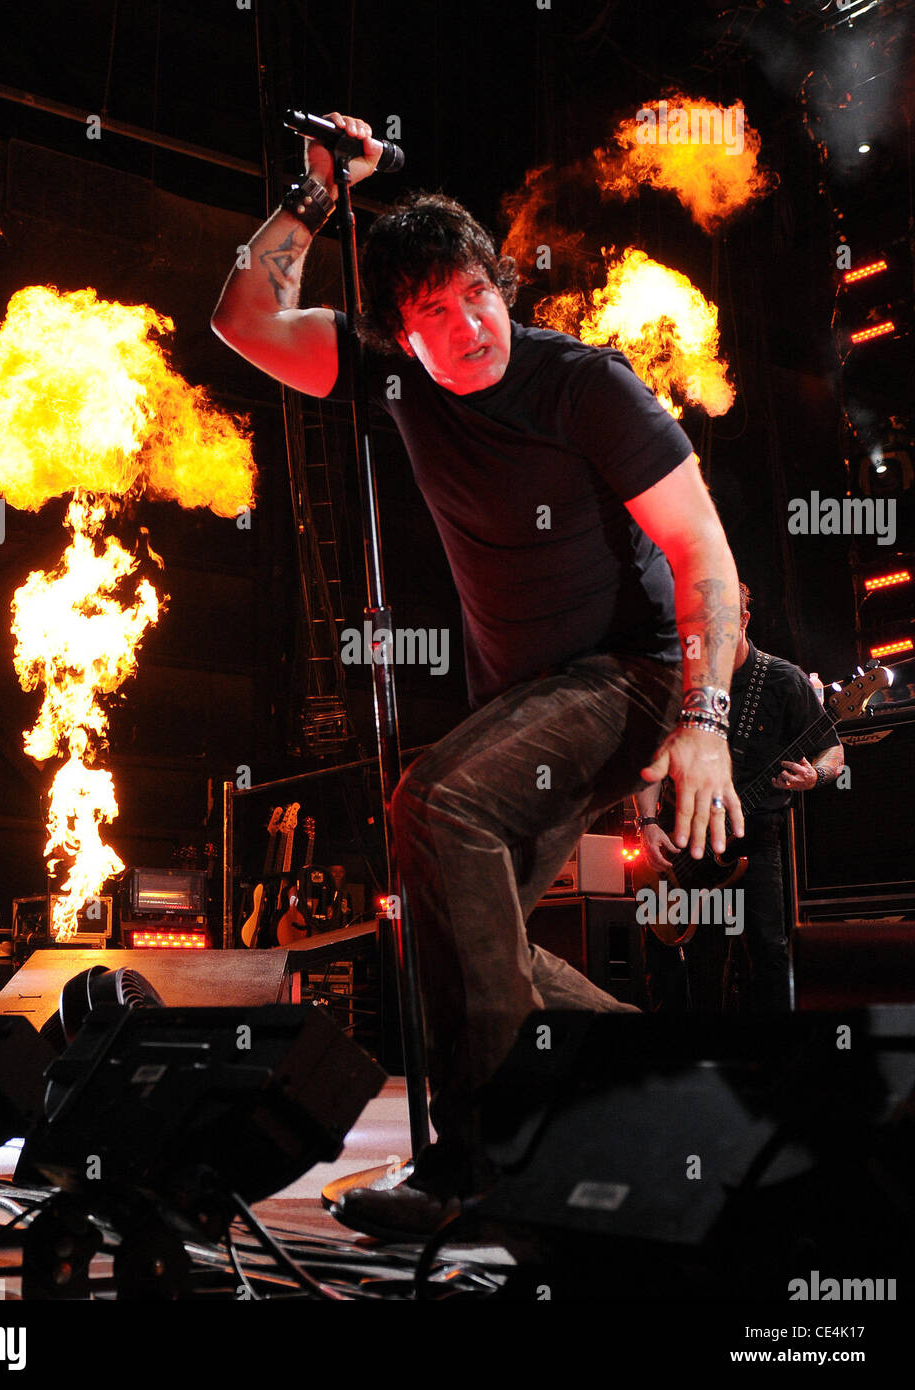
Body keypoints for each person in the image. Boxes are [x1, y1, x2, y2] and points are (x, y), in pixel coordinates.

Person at [212, 112, 745, 1238]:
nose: (465, 331)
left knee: (437, 802)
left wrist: (701, 722)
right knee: (459, 922)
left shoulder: (582, 385)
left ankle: (485, 1165)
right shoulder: (395, 384)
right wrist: (316, 191)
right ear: (400, 337)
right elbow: (241, 319)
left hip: (629, 674)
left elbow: (703, 552)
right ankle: (678, 1084)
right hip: (519, 705)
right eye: (432, 315)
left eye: (477, 297)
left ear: (502, 287)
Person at [635, 581, 844, 1012]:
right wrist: (648, 822)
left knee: (768, 954)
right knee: (676, 964)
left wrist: (817, 774)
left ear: (743, 621)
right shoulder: (678, 679)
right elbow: (650, 757)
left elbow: (832, 746)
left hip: (755, 838)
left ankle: (774, 1062)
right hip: (681, 839)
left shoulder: (783, 680)